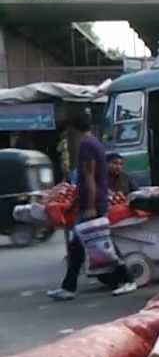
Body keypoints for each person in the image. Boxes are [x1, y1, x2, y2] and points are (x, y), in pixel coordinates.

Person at [47, 110, 136, 301]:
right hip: (92, 200)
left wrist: (89, 206)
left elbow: (88, 176)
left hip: (92, 202)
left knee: (103, 243)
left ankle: (127, 279)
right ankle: (68, 287)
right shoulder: (94, 142)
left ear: (73, 128)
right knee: (78, 246)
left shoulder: (86, 145)